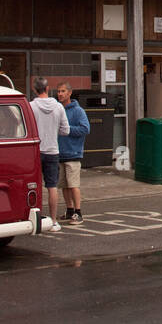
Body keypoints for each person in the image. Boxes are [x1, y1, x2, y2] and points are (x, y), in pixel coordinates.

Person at [29, 77, 70, 231]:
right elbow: (66, 130)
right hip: (53, 150)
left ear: (34, 90)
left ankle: (35, 217)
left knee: (35, 185)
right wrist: (53, 131)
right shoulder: (59, 107)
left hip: (35, 150)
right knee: (52, 186)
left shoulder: (31, 106)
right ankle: (53, 220)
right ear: (47, 89)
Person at [54, 83, 89, 224]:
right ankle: (69, 210)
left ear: (69, 93)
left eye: (63, 91)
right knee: (64, 185)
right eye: (58, 91)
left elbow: (85, 129)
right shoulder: (57, 110)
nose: (60, 94)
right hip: (60, 153)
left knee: (73, 184)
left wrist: (67, 129)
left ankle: (78, 212)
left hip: (73, 153)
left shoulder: (78, 111)